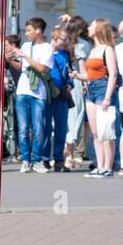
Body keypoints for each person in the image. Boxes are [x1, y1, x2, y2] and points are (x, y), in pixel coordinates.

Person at [8, 17, 53, 173]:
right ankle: (26, 160)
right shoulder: (26, 46)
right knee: (23, 128)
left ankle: (37, 160)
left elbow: (42, 69)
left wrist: (25, 56)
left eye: (29, 30)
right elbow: (21, 68)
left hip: (38, 91)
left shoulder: (47, 48)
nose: (26, 33)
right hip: (22, 90)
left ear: (38, 31)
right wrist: (9, 58)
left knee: (39, 128)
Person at [82, 18, 119, 178]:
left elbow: (113, 74)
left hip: (103, 90)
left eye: (91, 25)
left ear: (98, 29)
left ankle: (108, 168)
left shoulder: (107, 49)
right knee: (96, 132)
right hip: (91, 89)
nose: (88, 27)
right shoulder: (93, 50)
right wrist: (79, 76)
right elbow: (91, 74)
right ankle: (100, 165)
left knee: (106, 132)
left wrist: (108, 97)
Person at [45, 25, 75, 172]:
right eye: (63, 39)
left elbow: (68, 72)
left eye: (67, 39)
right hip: (46, 95)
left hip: (62, 96)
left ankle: (58, 160)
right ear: (54, 38)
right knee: (45, 128)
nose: (66, 42)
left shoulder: (65, 54)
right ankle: (44, 159)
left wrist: (70, 84)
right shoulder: (45, 52)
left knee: (61, 129)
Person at [64, 14, 92, 170]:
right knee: (77, 117)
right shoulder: (82, 44)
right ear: (80, 29)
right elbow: (82, 65)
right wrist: (84, 81)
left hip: (66, 81)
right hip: (78, 80)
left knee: (68, 118)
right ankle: (71, 154)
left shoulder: (67, 43)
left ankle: (69, 154)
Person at [3, 33, 21, 160]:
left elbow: (19, 68)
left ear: (13, 45)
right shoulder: (8, 57)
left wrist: (8, 58)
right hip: (15, 92)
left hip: (22, 92)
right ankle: (17, 151)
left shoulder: (18, 56)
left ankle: (22, 152)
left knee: (22, 124)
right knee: (15, 123)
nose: (3, 47)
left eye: (5, 44)